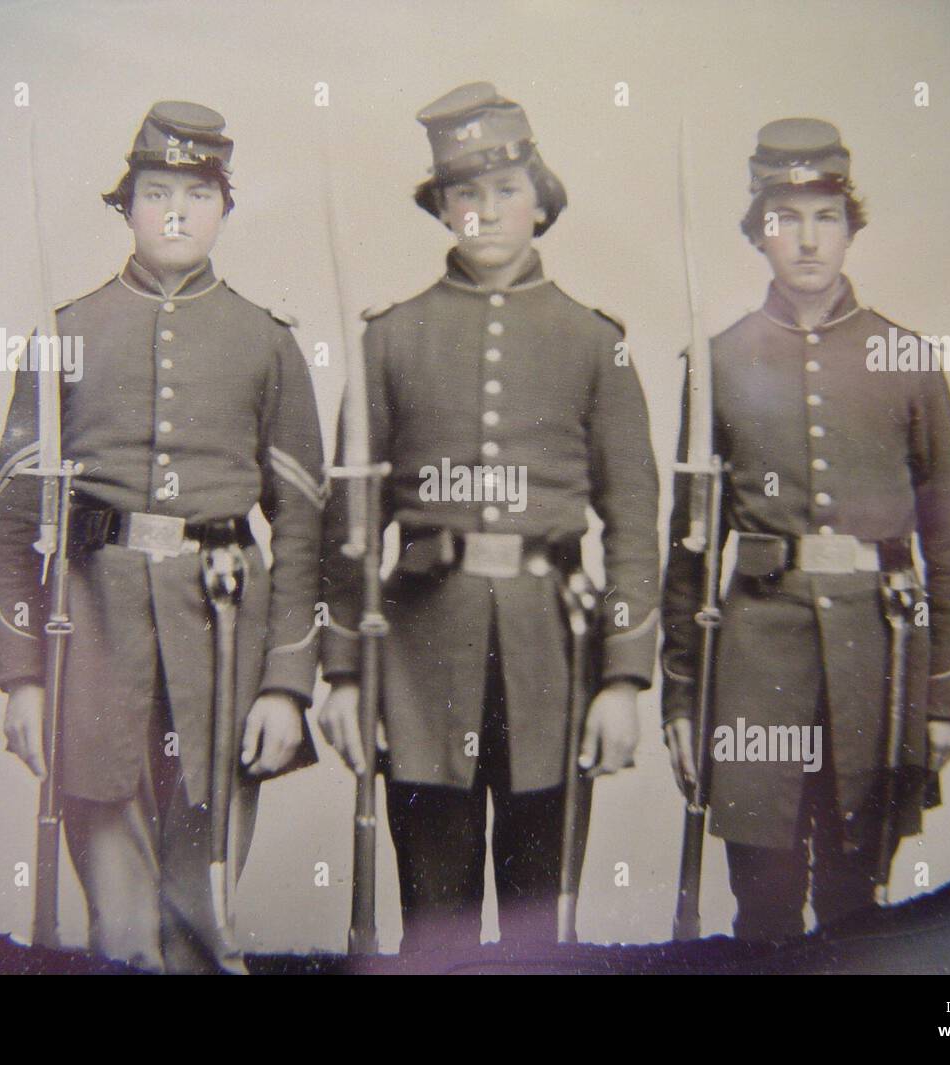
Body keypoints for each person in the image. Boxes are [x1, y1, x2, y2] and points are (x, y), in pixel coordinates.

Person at [317, 82, 660, 952]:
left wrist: (623, 675)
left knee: (541, 926)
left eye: (506, 189)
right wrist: (347, 676)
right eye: (464, 192)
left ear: (542, 199)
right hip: (420, 655)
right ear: (441, 208)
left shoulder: (596, 340)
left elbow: (633, 519)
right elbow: (344, 525)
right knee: (436, 927)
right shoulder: (389, 339)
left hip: (554, 653)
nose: (486, 210)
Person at [0, 101, 324, 972]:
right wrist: (22, 678)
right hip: (89, 645)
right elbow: (14, 524)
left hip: (226, 649)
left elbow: (304, 530)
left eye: (198, 193)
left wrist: (287, 685)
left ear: (224, 208)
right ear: (126, 206)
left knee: (205, 921)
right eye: (156, 191)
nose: (175, 212)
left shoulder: (267, 342)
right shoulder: (65, 335)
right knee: (122, 935)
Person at [661, 118, 950, 942]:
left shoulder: (905, 358)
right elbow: (690, 550)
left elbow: (948, 537)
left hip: (877, 659)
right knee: (763, 906)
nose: (805, 239)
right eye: (784, 218)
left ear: (850, 226)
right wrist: (685, 700)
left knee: (856, 905)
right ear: (758, 232)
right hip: (755, 662)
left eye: (825, 216)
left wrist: (946, 693)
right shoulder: (719, 362)